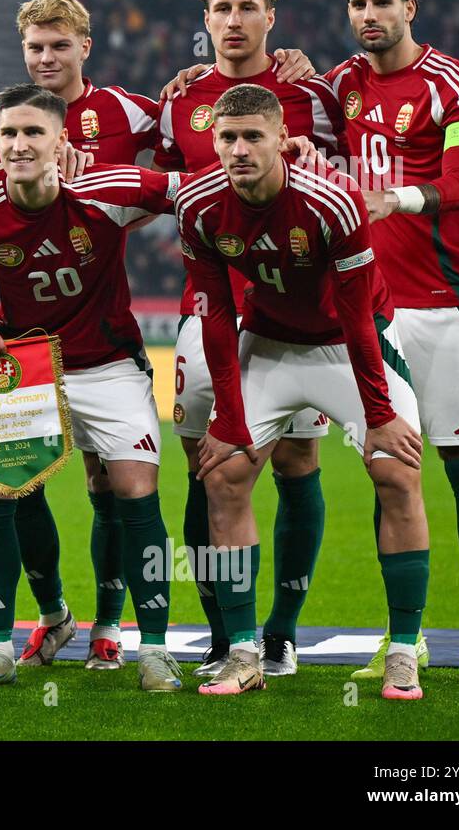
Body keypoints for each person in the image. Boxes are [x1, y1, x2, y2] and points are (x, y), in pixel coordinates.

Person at [178, 83, 429, 701]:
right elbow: (214, 315)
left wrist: (378, 415)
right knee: (224, 474)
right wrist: (230, 420)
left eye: (252, 137)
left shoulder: (332, 201)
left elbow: (356, 315)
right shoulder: (198, 206)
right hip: (266, 343)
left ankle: (403, 651)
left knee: (396, 471)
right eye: (227, 138)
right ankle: (242, 652)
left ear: (280, 141)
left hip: (351, 345)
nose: (238, 150)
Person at [0, 84, 183, 690]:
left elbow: (190, 190)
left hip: (110, 363)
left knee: (132, 490)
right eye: (8, 134)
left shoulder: (109, 189)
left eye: (33, 133)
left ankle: (153, 650)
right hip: (25, 365)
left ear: (60, 141)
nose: (18, 145)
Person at [0, 0, 165, 666]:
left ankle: (112, 626)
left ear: (85, 46)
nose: (46, 58)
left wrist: (111, 190)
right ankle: (50, 616)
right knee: (9, 484)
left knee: (112, 484)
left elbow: (191, 154)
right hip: (25, 346)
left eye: (58, 46)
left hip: (102, 332)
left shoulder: (130, 113)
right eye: (34, 48)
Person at [155, 0, 344, 678]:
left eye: (248, 7)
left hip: (295, 320)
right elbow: (159, 187)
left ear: (273, 16)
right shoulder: (177, 104)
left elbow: (353, 183)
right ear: (204, 20)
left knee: (298, 462)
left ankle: (282, 632)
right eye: (221, 8)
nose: (233, 20)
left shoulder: (312, 95)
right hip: (206, 312)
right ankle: (221, 635)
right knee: (210, 471)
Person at [326, 0, 459, 686]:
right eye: (358, 5)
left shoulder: (457, 82)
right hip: (376, 310)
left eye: (382, 3)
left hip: (451, 300)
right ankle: (408, 639)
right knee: (391, 470)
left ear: (411, 8)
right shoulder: (338, 85)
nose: (369, 16)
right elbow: (271, 118)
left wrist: (394, 199)